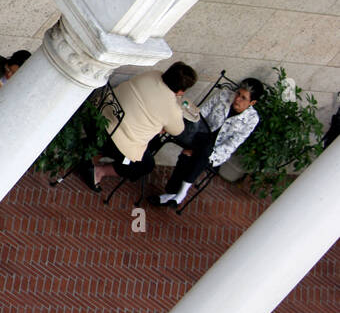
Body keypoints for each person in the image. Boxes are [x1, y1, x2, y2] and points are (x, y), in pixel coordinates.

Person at [149, 78, 263, 208]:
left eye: (243, 98)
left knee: (190, 155)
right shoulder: (223, 95)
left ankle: (171, 193)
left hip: (217, 150)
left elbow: (232, 144)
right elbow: (201, 114)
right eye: (238, 93)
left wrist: (209, 153)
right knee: (200, 151)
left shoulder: (252, 120)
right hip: (198, 135)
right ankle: (180, 193)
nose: (237, 99)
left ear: (252, 102)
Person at [88, 61, 196, 190]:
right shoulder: (173, 109)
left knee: (145, 135)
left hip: (97, 116)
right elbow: (178, 130)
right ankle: (99, 171)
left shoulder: (152, 74)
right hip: (112, 141)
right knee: (146, 165)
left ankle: (93, 154)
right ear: (180, 91)